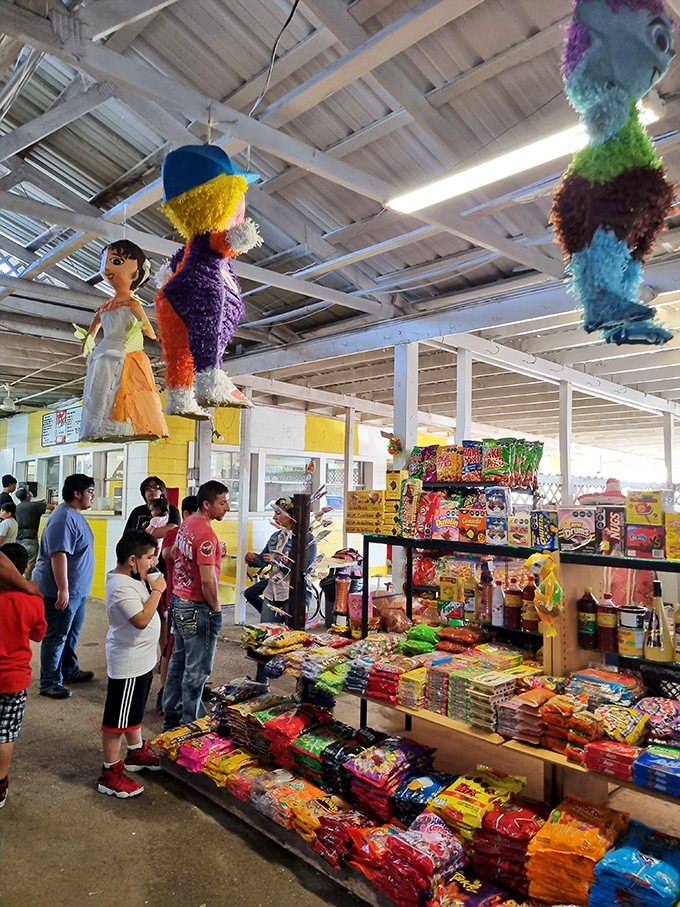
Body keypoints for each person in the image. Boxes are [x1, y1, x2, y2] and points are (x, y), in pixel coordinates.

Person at [79, 240, 169, 442]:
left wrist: (88, 344)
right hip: (120, 349)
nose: (107, 268)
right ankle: (115, 424)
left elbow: (92, 332)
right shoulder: (127, 304)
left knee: (110, 388)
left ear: (135, 273)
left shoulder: (108, 307)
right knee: (115, 388)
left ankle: (111, 425)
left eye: (115, 261)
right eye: (106, 263)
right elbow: (149, 331)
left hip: (109, 350)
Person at [98, 530, 165, 799]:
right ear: (132, 560)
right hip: (128, 662)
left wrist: (150, 579)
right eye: (149, 558)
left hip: (142, 660)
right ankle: (110, 772)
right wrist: (158, 590)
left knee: (132, 711)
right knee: (117, 719)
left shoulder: (132, 578)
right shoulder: (120, 586)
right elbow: (140, 619)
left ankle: (136, 752)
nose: (153, 563)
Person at [161, 481, 229, 731]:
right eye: (222, 503)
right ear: (207, 504)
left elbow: (174, 556)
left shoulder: (187, 524)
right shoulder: (206, 534)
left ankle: (171, 719)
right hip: (197, 606)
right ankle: (193, 726)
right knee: (197, 669)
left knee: (177, 662)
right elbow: (208, 580)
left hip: (178, 601)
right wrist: (217, 609)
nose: (227, 507)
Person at [33, 474, 96, 699]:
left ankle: (68, 670)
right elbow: (58, 554)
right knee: (57, 634)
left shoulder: (74, 515)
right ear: (76, 493)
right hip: (60, 589)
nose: (93, 496)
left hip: (77, 589)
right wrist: (63, 588)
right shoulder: (63, 518)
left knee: (70, 633)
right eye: (89, 491)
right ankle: (49, 682)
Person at [0, 543, 47, 808]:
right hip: (14, 678)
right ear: (25, 568)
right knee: (5, 732)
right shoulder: (31, 600)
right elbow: (38, 635)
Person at [156, 495, 198, 714]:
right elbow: (167, 554)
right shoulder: (174, 533)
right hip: (177, 599)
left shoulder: (202, 533)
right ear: (186, 515)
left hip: (198, 602)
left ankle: (187, 691)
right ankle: (164, 691)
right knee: (171, 648)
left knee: (192, 650)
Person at [124, 477, 180, 558]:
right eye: (147, 488)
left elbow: (171, 530)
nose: (152, 490)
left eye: (156, 487)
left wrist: (145, 532)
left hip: (163, 560)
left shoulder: (171, 510)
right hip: (139, 558)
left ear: (162, 491)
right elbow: (127, 536)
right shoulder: (137, 511)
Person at [15, 486, 55, 575]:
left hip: (19, 539)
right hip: (31, 539)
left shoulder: (16, 508)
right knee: (31, 565)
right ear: (27, 495)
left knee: (19, 565)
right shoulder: (35, 506)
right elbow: (51, 507)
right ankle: (28, 585)